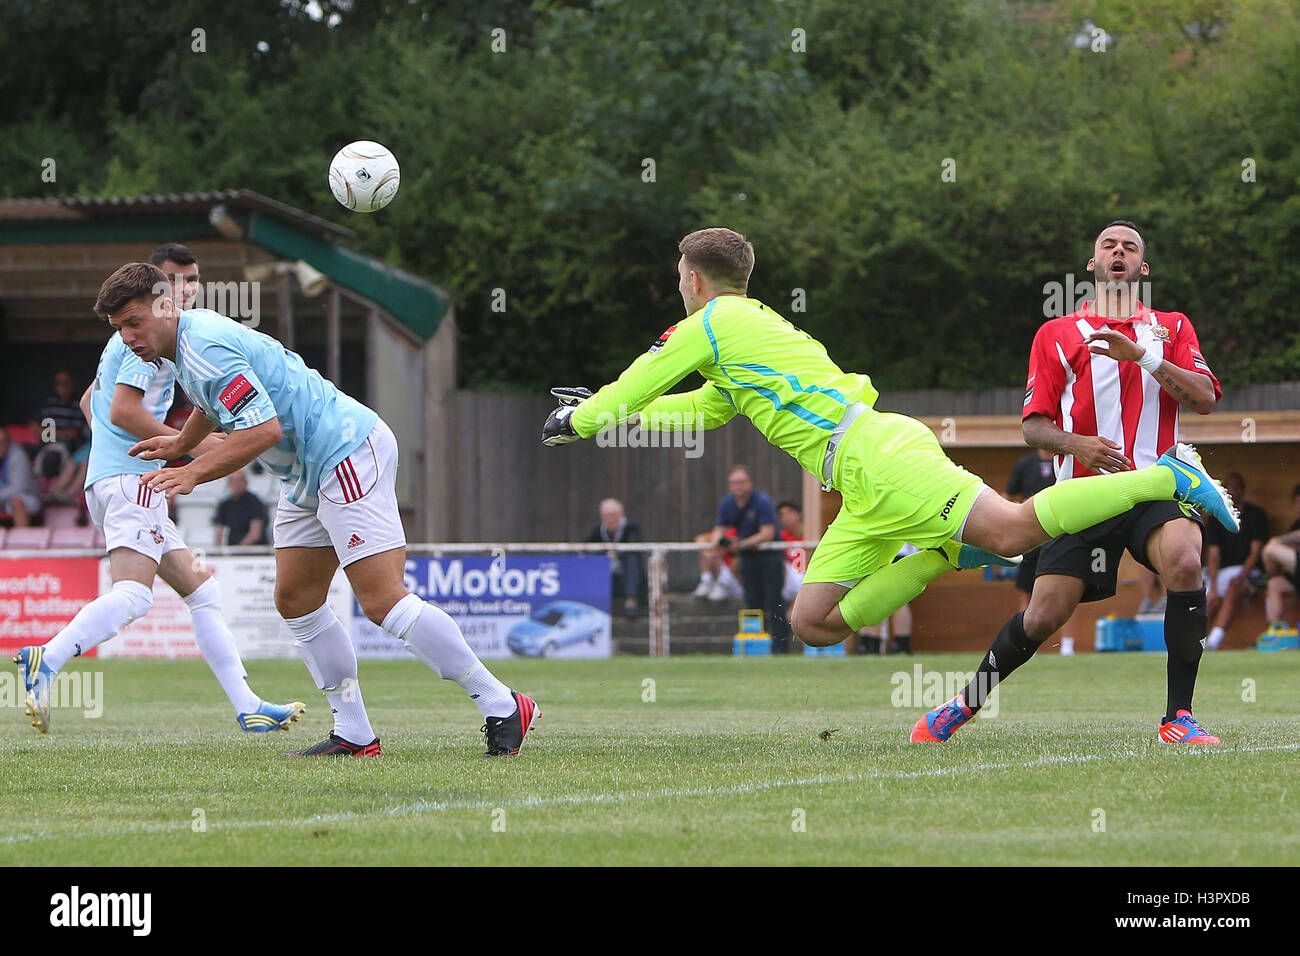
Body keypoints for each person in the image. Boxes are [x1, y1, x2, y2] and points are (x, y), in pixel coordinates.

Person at [539, 225, 1236, 695]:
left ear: (692, 278)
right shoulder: (740, 336)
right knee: (814, 623)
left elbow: (645, 378)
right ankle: (942, 554)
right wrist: (610, 411)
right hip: (857, 484)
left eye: (678, 276)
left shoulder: (715, 323)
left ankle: (1169, 476)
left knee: (1015, 532)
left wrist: (585, 415)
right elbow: (698, 408)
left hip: (882, 454)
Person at [97, 261, 538, 758]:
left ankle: (502, 703)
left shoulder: (204, 348)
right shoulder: (185, 348)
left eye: (134, 322)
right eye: (119, 329)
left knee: (381, 601)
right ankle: (353, 732)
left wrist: (192, 472)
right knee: (296, 599)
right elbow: (210, 404)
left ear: (166, 306)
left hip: (344, 450)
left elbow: (262, 432)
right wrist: (181, 442)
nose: (128, 336)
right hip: (304, 471)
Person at [913, 221, 1229, 745]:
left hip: (1156, 486)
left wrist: (1144, 357)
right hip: (1082, 494)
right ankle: (964, 704)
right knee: (1042, 616)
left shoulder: (1171, 328)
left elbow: (1205, 398)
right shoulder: (1056, 334)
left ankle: (1179, 718)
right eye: (1109, 245)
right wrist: (1078, 445)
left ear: (1143, 269)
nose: (1119, 252)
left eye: (1130, 247)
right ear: (1093, 264)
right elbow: (1033, 424)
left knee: (1186, 559)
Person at [11, 247, 302, 735]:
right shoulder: (146, 340)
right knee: (135, 595)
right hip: (135, 481)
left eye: (193, 279)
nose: (187, 289)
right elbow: (123, 410)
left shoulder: (141, 337)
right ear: (157, 293)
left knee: (202, 591)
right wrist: (174, 448)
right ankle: (48, 656)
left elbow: (91, 402)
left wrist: (110, 455)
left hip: (116, 478)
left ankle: (248, 705)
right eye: (177, 280)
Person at [710, 465, 789, 652]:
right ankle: (756, 646)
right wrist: (718, 542)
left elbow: (767, 534)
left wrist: (741, 544)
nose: (738, 486)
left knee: (774, 602)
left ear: (750, 483)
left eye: (741, 482)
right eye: (734, 482)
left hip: (770, 557)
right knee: (753, 603)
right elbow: (719, 528)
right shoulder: (727, 503)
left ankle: (780, 648)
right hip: (748, 558)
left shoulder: (762, 502)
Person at [1203, 472, 1269, 649]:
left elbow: (1256, 552)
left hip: (1250, 572)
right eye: (1229, 487)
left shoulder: (1256, 515)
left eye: (1236, 487)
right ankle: (1195, 642)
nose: (1232, 491)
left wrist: (1241, 576)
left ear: (1243, 489)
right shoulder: (1216, 517)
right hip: (1223, 572)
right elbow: (1214, 554)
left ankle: (1214, 641)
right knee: (1209, 599)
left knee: (1234, 587)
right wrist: (1214, 587)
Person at [1004, 448, 1056, 613]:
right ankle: (1022, 636)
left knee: (1064, 591)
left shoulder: (1065, 462)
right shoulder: (1025, 464)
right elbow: (1008, 496)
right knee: (1027, 591)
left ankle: (1069, 640)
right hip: (1031, 537)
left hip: (1059, 534)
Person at [586, 497, 642, 618]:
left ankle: (631, 602)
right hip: (607, 578)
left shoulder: (631, 529)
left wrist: (617, 555)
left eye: (613, 515)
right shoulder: (598, 531)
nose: (610, 519)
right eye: (606, 516)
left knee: (632, 559)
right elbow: (585, 546)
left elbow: (635, 548)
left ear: (621, 514)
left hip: (627, 578)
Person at [1259, 483, 1300, 635]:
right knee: (1274, 584)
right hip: (1295, 574)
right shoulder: (1296, 523)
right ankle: (1274, 631)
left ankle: (1269, 574)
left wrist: (1276, 541)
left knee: (1270, 549)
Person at [214, 468, 268, 546]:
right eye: (234, 481)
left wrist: (239, 550)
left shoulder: (255, 502)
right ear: (229, 484)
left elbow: (255, 534)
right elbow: (219, 530)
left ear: (246, 483)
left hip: (254, 550)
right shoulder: (224, 504)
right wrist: (217, 552)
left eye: (240, 481)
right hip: (233, 548)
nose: (237, 484)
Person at [0, 430, 40, 527]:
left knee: (17, 502)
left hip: (25, 496)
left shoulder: (18, 456)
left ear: (8, 442)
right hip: (2, 498)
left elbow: (18, 488)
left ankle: (22, 538)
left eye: (2, 442)